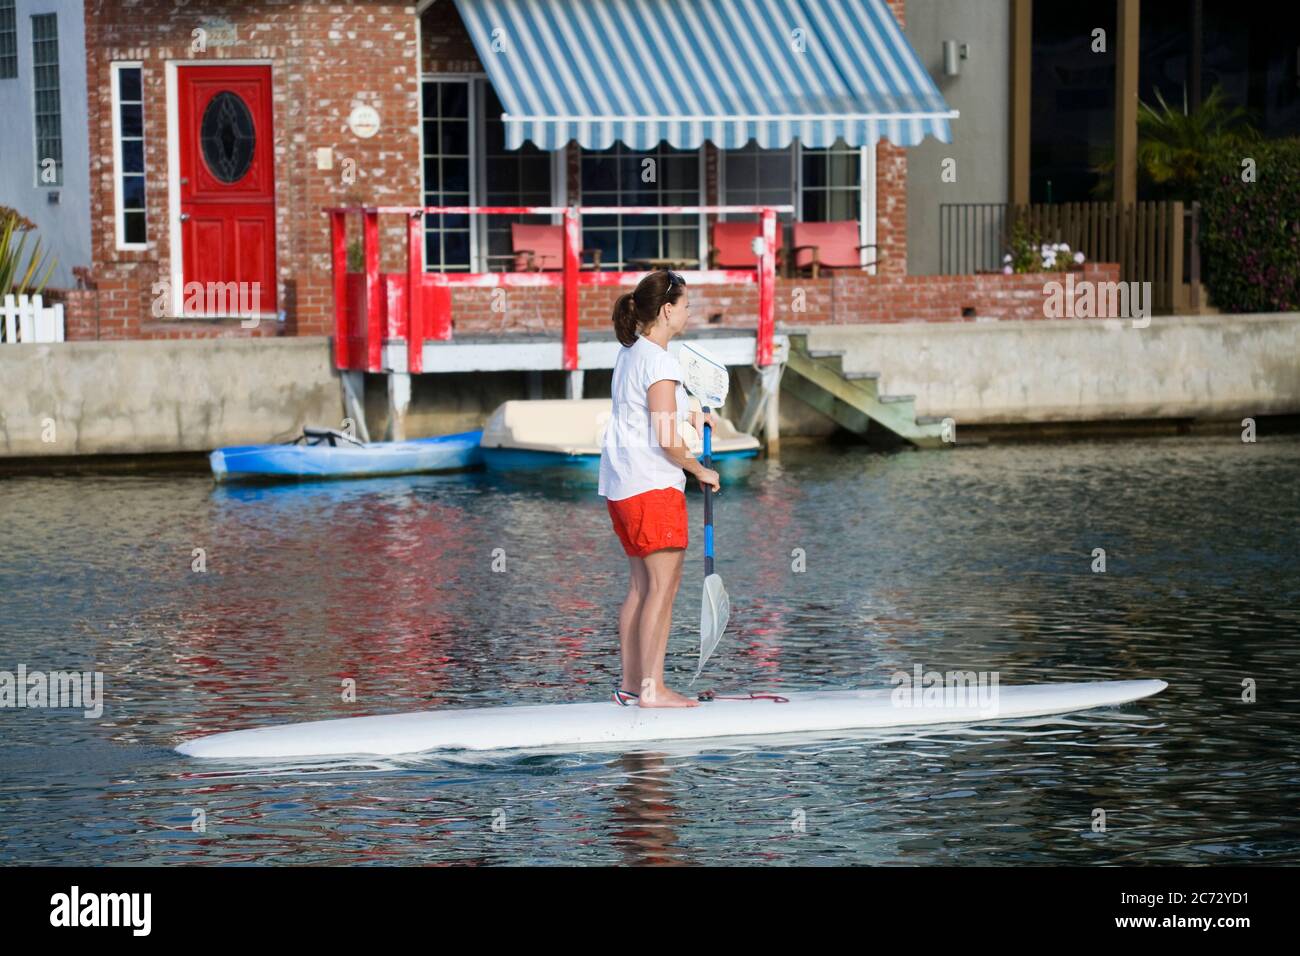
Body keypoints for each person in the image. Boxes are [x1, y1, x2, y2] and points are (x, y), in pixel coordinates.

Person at [599, 270, 721, 709]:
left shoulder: (631, 351)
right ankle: (654, 690)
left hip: (621, 486)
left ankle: (632, 686)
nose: (690, 312)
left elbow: (649, 410)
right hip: (652, 487)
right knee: (662, 590)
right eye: (686, 305)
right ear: (667, 310)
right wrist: (698, 470)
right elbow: (667, 441)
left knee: (639, 587)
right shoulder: (663, 361)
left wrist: (691, 415)